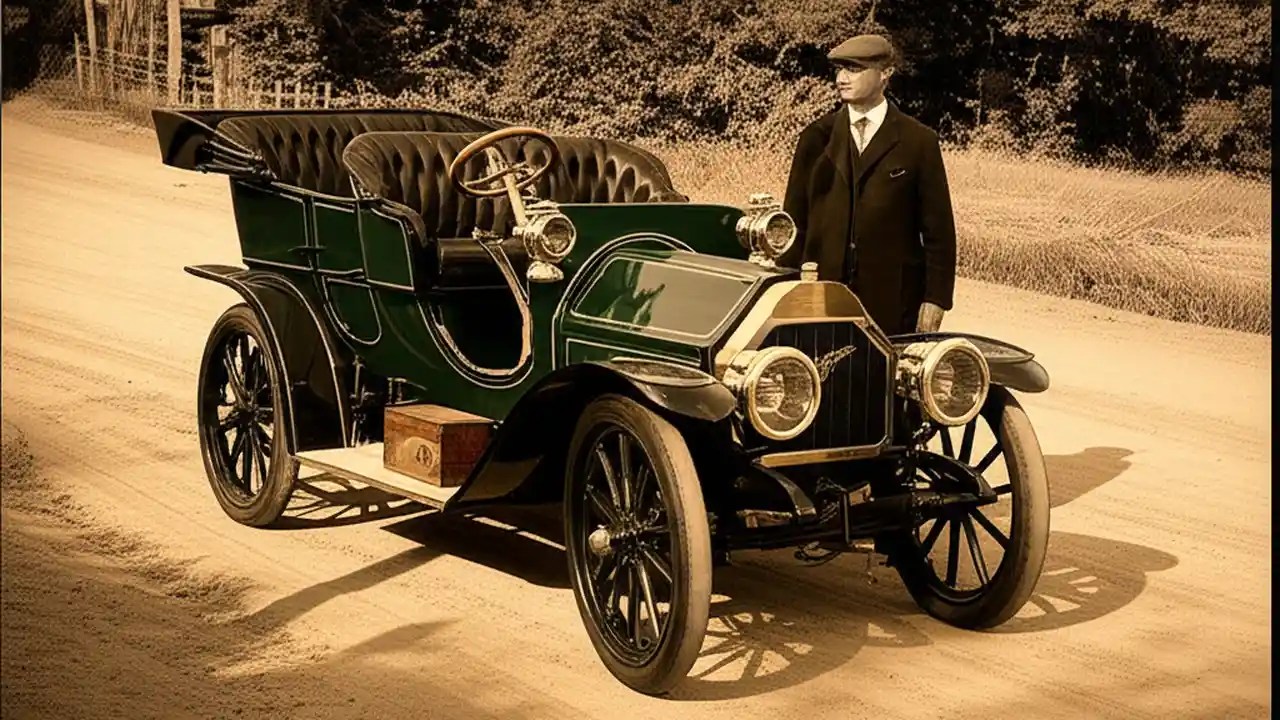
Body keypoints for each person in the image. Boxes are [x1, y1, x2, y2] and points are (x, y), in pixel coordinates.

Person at [780, 33, 957, 336]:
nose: (842, 78)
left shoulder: (919, 142)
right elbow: (793, 225)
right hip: (820, 300)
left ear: (885, 73)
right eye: (839, 69)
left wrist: (936, 299)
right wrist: (784, 292)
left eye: (854, 69)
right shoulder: (815, 139)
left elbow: (939, 231)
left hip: (893, 304)